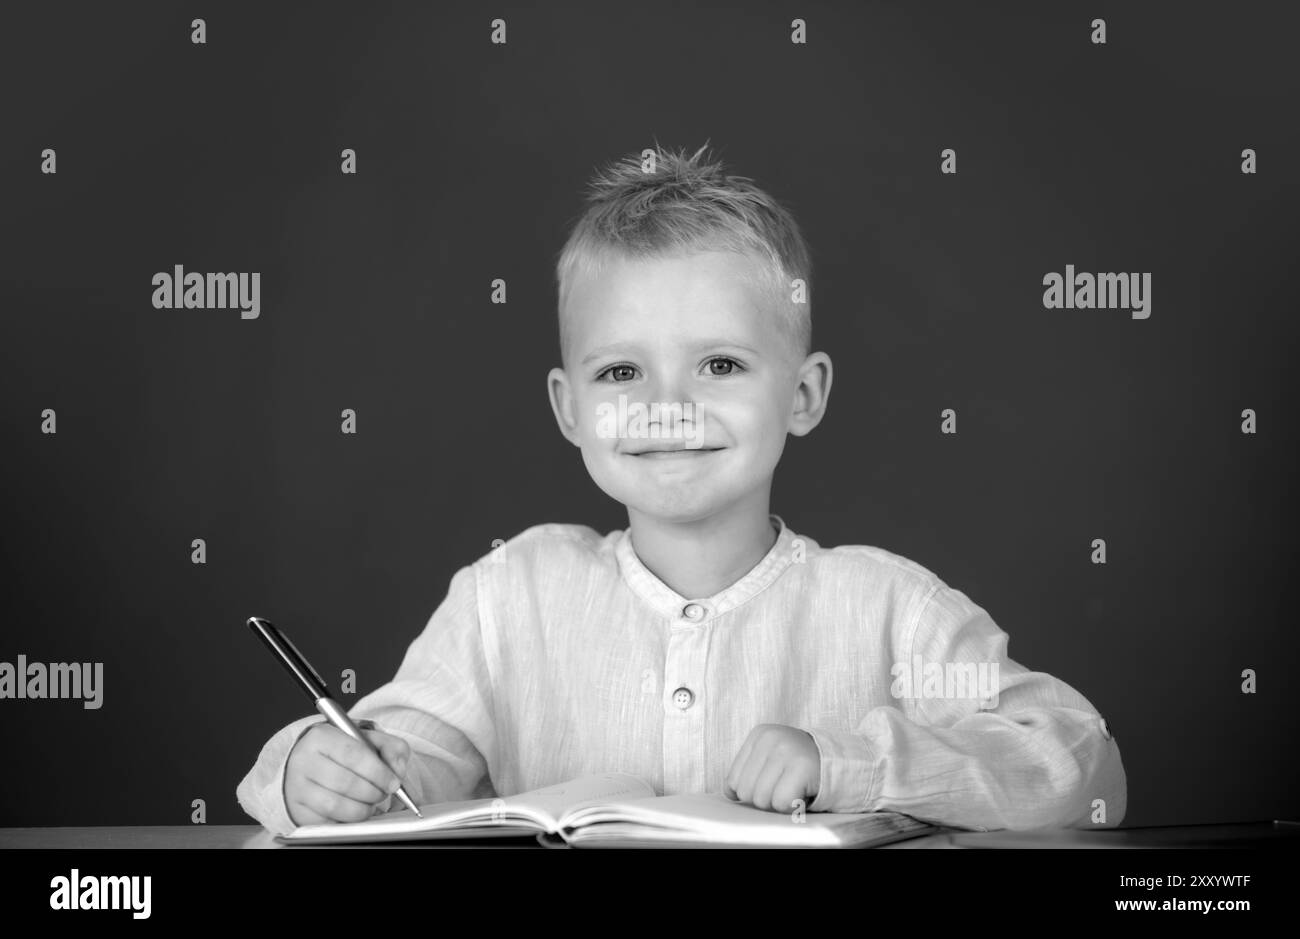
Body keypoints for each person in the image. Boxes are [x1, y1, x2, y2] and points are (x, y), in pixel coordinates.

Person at [236, 142, 1127, 837]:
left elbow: (1082, 765)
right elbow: (404, 761)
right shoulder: (509, 598)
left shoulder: (889, 606)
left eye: (721, 363)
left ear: (804, 393)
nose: (667, 407)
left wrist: (846, 763)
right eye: (621, 370)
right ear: (569, 408)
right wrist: (318, 772)